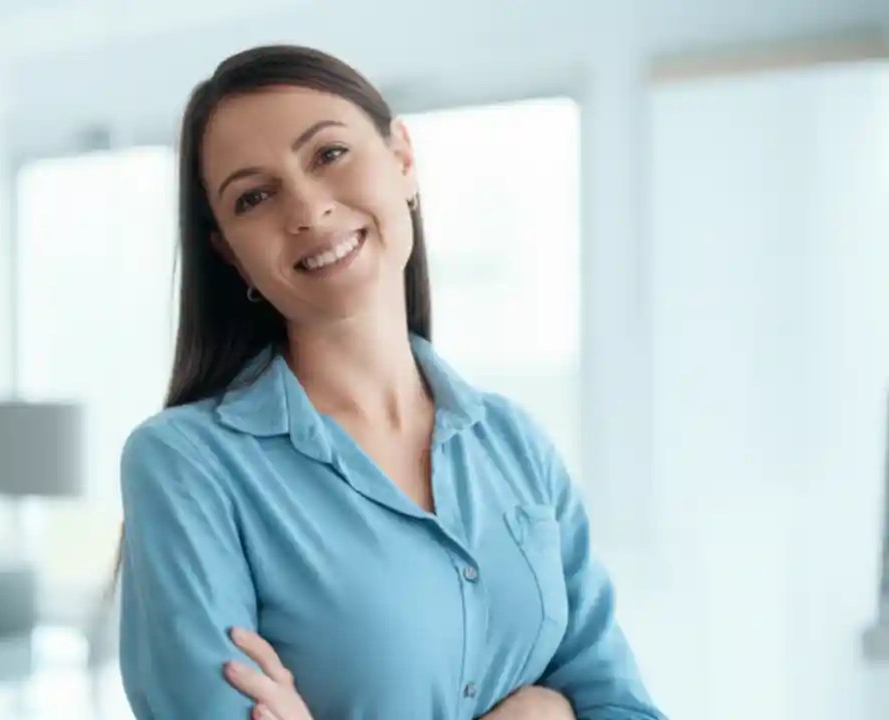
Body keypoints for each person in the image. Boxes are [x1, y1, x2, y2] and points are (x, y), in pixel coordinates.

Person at [116, 44, 664, 720]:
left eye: (328, 155)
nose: (308, 209)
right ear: (230, 252)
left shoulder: (515, 444)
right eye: (253, 197)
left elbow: (626, 708)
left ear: (402, 157)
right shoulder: (187, 466)